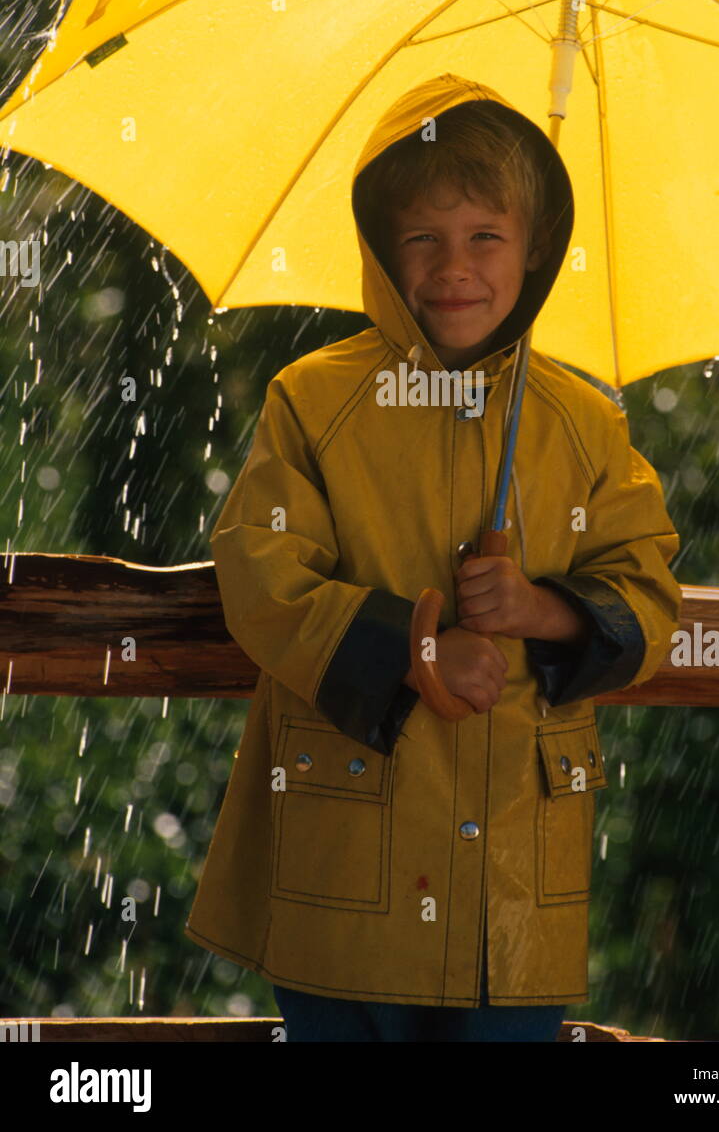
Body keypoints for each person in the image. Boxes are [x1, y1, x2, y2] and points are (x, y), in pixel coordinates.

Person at [184, 72, 682, 1042]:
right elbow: (261, 571)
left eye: (486, 236)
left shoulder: (584, 425)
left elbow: (647, 587)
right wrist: (416, 648)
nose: (454, 266)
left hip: (513, 884)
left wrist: (546, 610)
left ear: (535, 248)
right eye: (423, 237)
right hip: (348, 855)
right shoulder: (313, 401)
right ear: (380, 250)